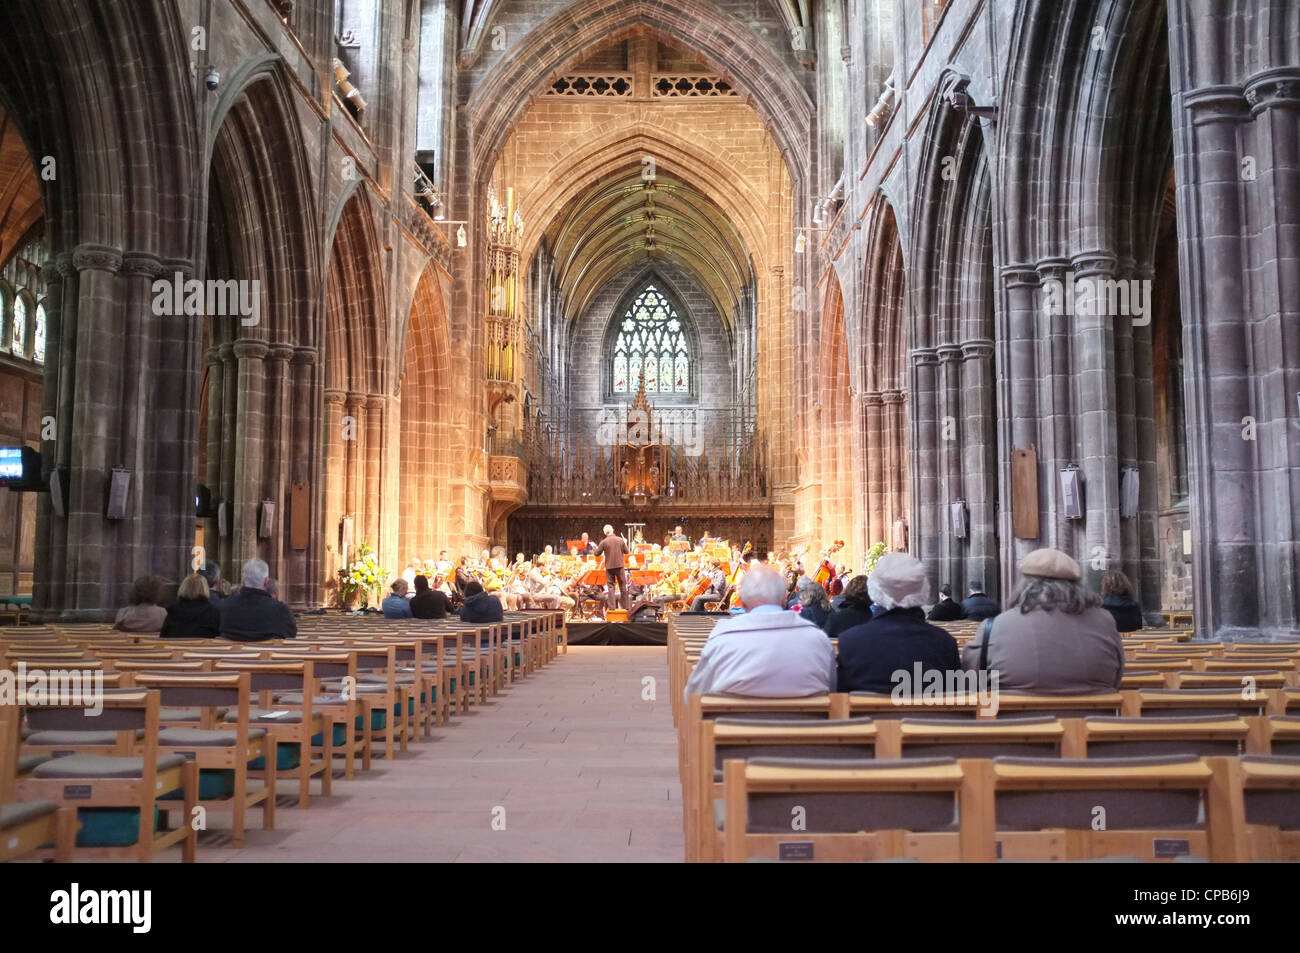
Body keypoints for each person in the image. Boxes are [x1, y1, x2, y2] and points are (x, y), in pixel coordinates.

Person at [961, 548, 1124, 693]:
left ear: (1024, 584)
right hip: (1096, 724)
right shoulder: (1105, 622)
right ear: (1078, 585)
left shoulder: (995, 627)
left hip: (1014, 725)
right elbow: (1116, 680)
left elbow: (971, 682)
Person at [683, 566, 836, 700]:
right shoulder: (818, 639)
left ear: (741, 600)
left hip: (734, 728)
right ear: (784, 599)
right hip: (804, 729)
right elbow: (832, 689)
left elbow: (694, 695)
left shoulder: (723, 636)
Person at [836, 553, 961, 694]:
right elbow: (956, 700)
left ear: (876, 589)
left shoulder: (850, 642)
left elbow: (840, 702)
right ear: (923, 589)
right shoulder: (945, 644)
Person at [218, 558, 297, 641]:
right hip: (268, 652)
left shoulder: (226, 605)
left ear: (243, 581)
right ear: (266, 582)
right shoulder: (280, 609)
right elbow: (290, 636)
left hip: (233, 653)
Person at [159, 572, 221, 638]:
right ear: (204, 588)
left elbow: (163, 636)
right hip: (203, 648)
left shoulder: (172, 610)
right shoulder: (212, 611)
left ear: (183, 587)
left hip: (176, 647)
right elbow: (217, 635)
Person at [595, 524, 631, 611]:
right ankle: (626, 607)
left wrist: (598, 548)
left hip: (609, 567)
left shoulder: (604, 542)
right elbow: (627, 551)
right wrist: (625, 543)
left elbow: (596, 553)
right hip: (619, 566)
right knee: (623, 586)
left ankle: (611, 608)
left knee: (611, 587)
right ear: (613, 530)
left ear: (605, 533)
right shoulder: (620, 540)